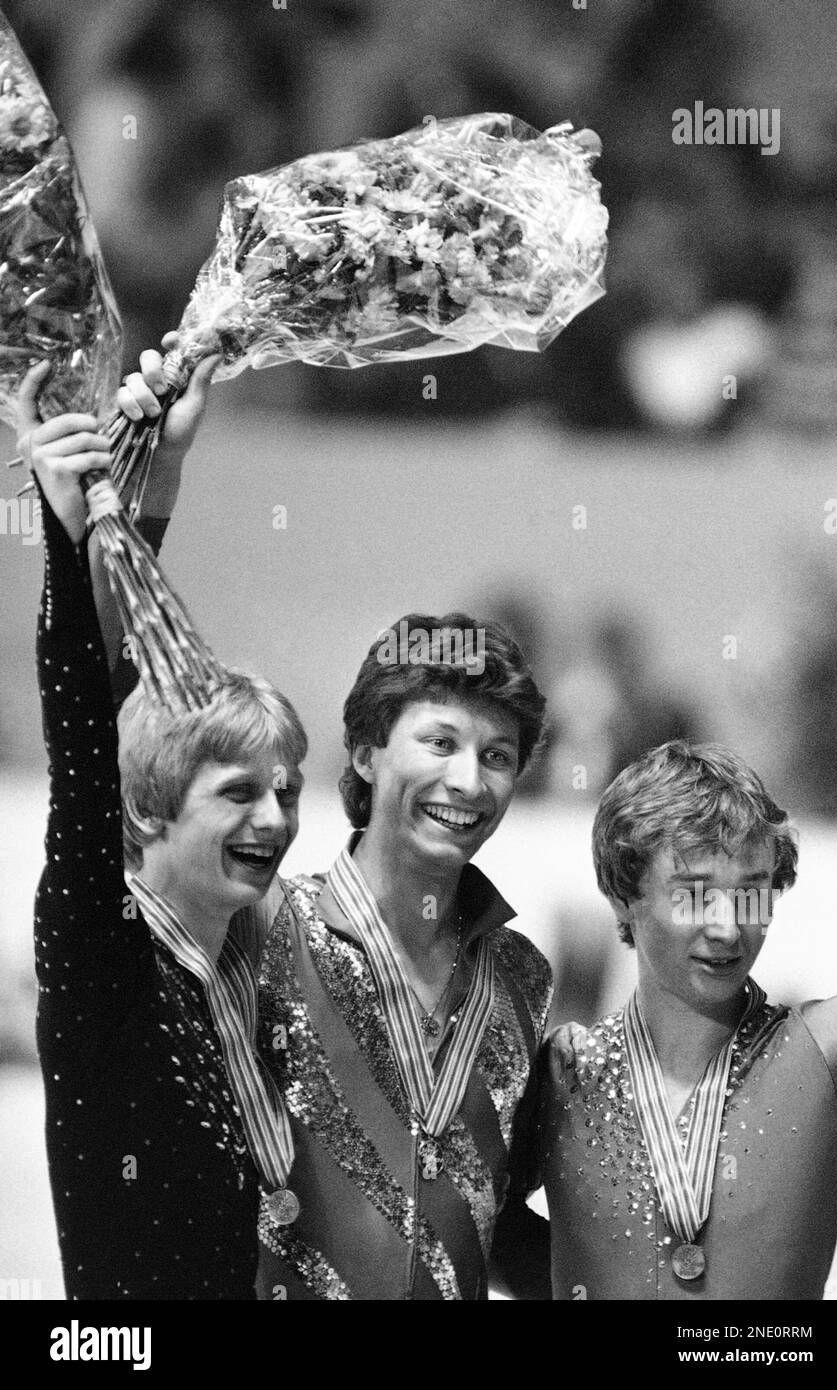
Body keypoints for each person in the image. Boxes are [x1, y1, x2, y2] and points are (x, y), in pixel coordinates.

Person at [99, 341, 554, 1300]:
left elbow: (491, 1213)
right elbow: (115, 709)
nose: (468, 781)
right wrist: (156, 475)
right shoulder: (255, 928)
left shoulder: (521, 977)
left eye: (499, 755)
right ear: (363, 752)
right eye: (439, 742)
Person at [20, 360, 306, 1299]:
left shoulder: (250, 967)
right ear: (145, 806)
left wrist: (156, 464)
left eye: (288, 790)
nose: (274, 818)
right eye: (238, 793)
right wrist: (75, 530)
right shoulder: (104, 952)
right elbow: (82, 722)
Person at [542, 740, 837, 1300]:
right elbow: (470, 1220)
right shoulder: (563, 1073)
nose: (728, 928)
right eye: (693, 894)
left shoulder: (833, 1049)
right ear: (624, 896)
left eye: (751, 893)